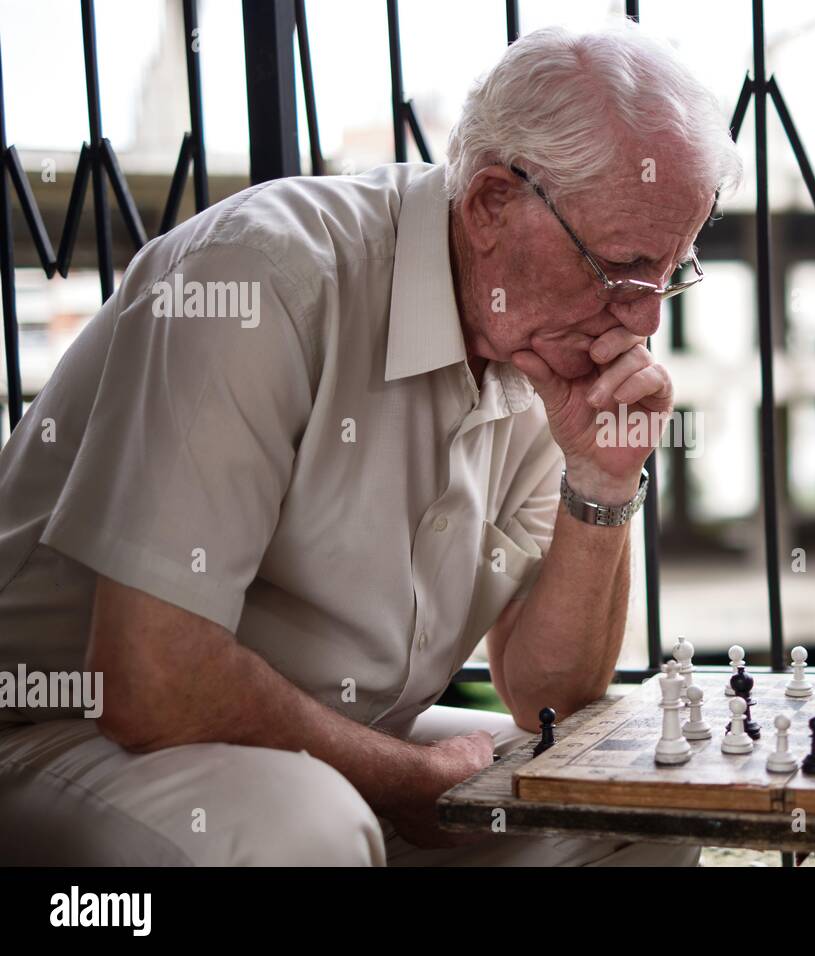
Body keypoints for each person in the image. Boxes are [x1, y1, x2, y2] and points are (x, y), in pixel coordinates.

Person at [0, 23, 741, 865]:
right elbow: (150, 677)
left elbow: (547, 699)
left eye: (670, 272)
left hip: (344, 730)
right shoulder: (259, 277)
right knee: (300, 831)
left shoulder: (543, 342)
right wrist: (397, 777)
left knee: (637, 794)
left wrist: (602, 484)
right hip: (60, 726)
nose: (645, 319)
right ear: (492, 204)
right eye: (621, 269)